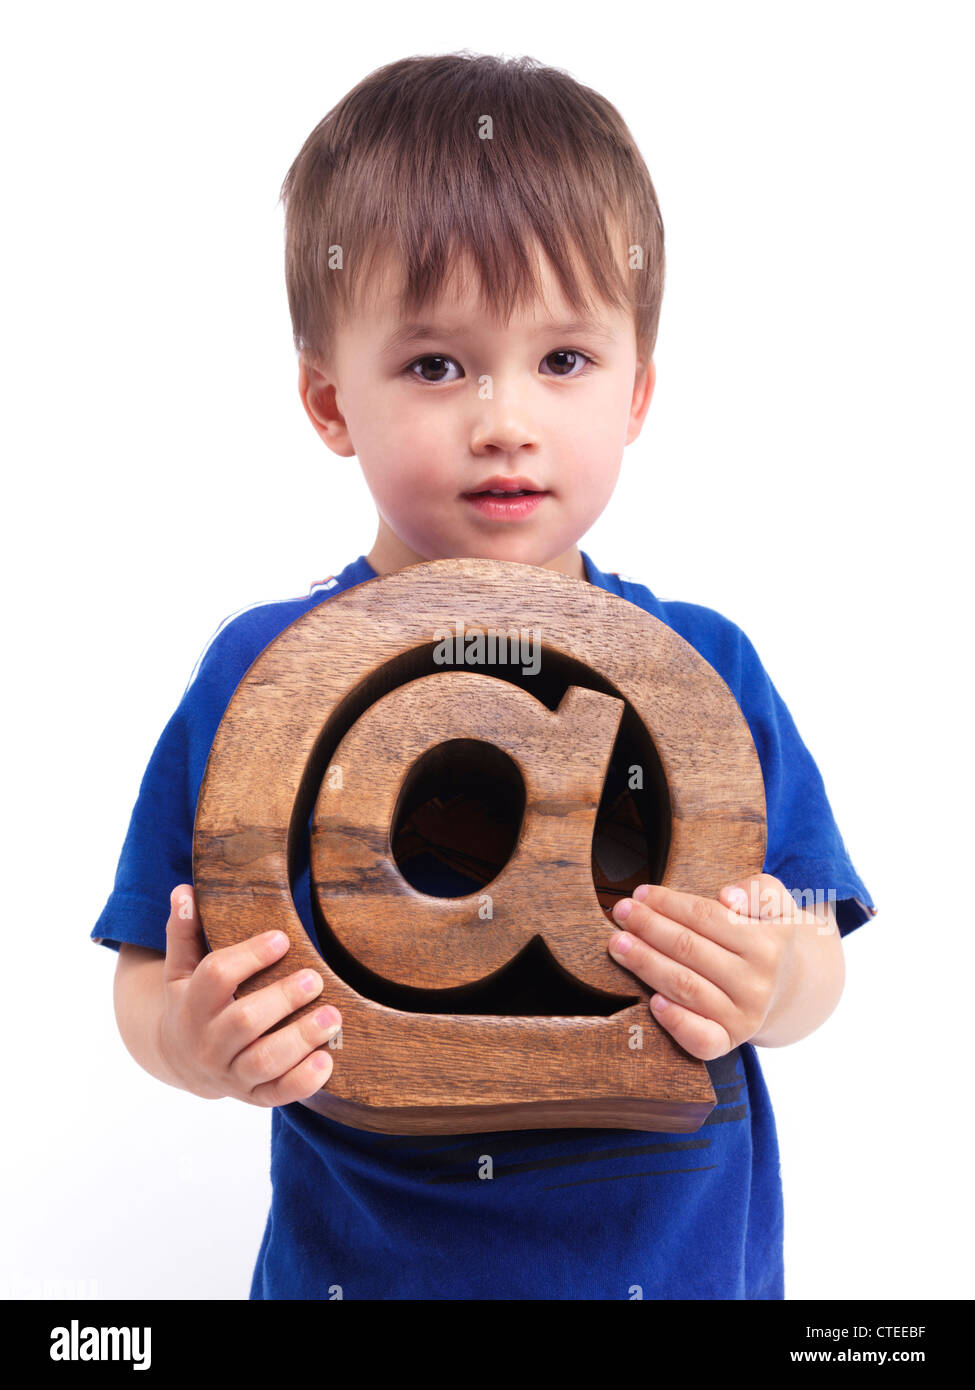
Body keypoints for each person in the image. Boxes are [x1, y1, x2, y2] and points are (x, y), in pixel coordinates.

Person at [95, 52, 876, 1300]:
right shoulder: (263, 671)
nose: (504, 417)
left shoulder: (704, 667)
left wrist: (774, 979)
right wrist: (192, 1043)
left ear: (639, 392)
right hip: (369, 1267)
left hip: (669, 1269)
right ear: (328, 400)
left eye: (563, 361)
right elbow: (150, 960)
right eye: (436, 366)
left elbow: (813, 935)